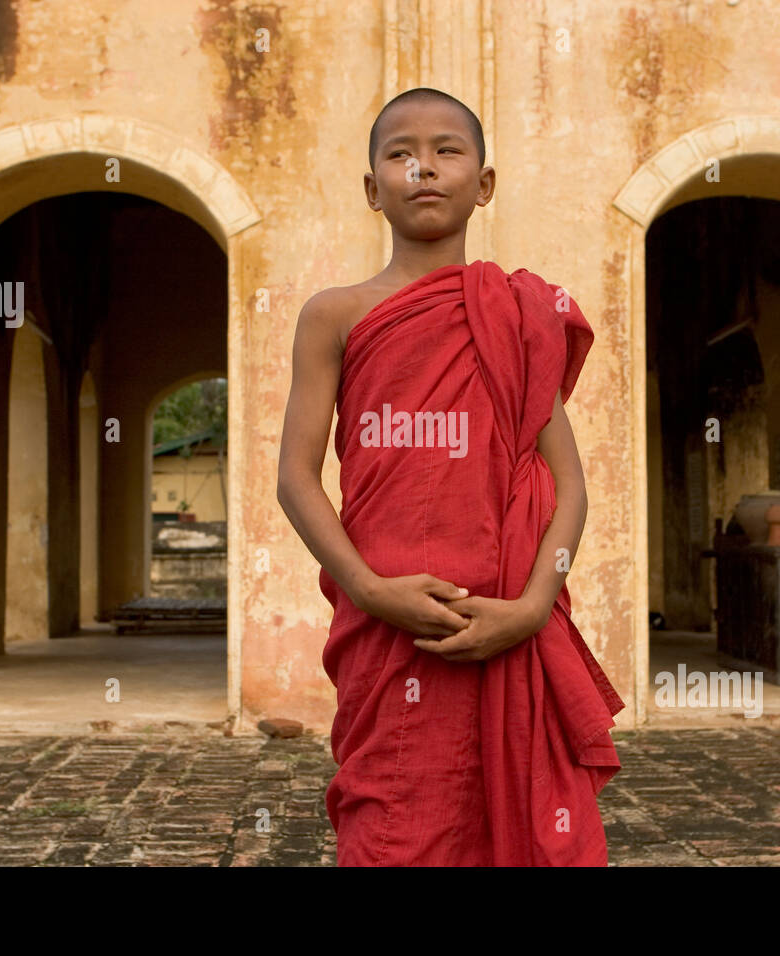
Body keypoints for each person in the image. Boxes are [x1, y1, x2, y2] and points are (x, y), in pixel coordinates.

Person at [276, 87, 623, 866]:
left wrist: (533, 607)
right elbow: (296, 477)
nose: (423, 168)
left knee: (523, 825)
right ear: (373, 189)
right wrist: (368, 588)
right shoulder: (335, 313)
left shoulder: (515, 316)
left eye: (446, 150)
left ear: (484, 182)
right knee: (393, 828)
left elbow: (568, 486)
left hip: (506, 624)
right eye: (399, 154)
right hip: (391, 632)